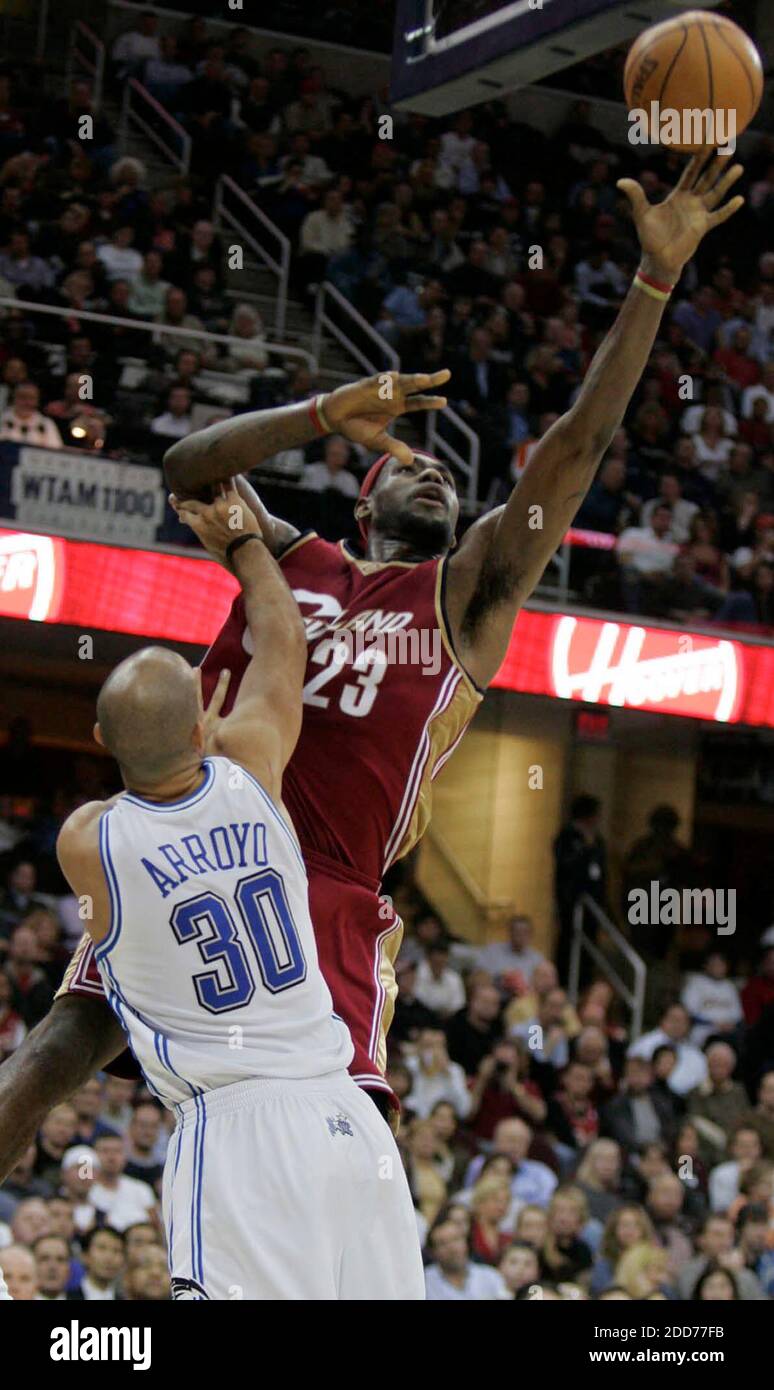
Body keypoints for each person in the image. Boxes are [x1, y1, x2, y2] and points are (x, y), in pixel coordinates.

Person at [0, 152, 746, 1177]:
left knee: (345, 1156)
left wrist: (654, 280)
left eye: (452, 471)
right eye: (415, 459)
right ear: (363, 499)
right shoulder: (290, 553)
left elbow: (575, 449)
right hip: (196, 836)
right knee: (51, 1051)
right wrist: (317, 412)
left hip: (325, 886)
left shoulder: (465, 596)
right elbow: (184, 468)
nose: (436, 467)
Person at [50, 489, 423, 1301]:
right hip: (347, 1114)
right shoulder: (254, 767)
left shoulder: (91, 840)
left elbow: (144, 809)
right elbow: (284, 635)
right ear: (200, 726)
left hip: (239, 1133)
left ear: (101, 744)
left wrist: (176, 751)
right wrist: (248, 543)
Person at [553, 794, 607, 985]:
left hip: (592, 904)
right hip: (572, 902)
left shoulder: (598, 840)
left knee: (588, 950)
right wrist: (585, 849)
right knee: (569, 946)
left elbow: (601, 872)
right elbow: (566, 867)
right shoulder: (566, 837)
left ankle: (583, 984)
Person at [424, 1219, 511, 1300]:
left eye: (456, 1239)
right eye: (443, 1243)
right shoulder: (425, 1283)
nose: (452, 1248)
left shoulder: (490, 1276)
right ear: (433, 1252)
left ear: (466, 1242)